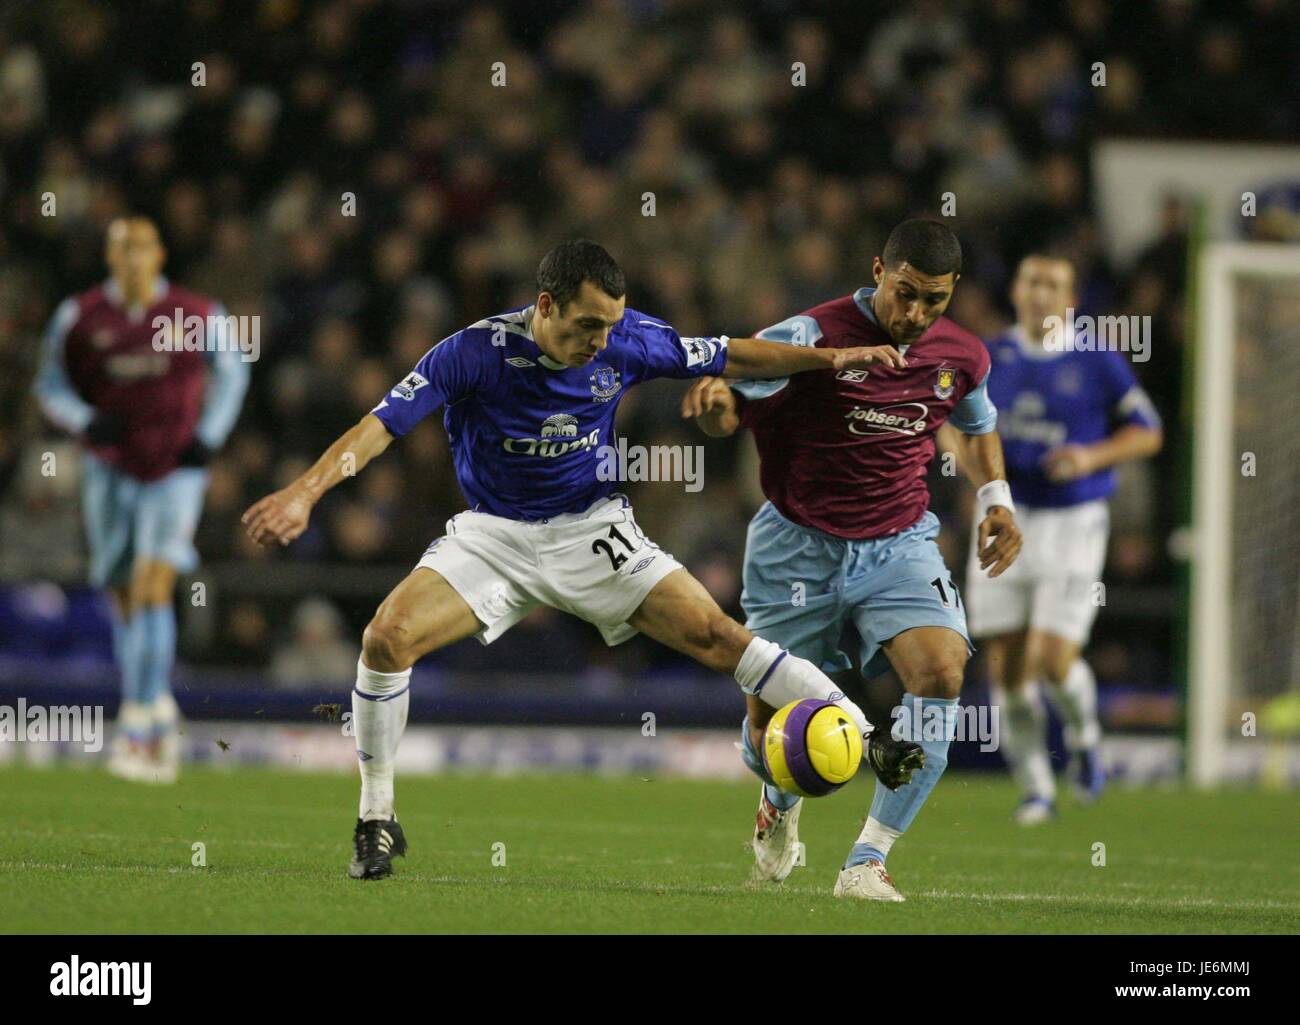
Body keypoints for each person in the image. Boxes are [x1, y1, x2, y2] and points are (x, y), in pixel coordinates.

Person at [241, 239, 923, 880]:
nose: (601, 341)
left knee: (720, 635)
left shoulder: (627, 340)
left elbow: (734, 355)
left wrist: (831, 361)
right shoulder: (472, 352)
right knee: (386, 636)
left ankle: (867, 735)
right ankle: (377, 817)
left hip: (591, 529)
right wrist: (305, 494)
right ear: (545, 306)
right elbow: (379, 426)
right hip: (494, 535)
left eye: (610, 325)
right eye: (588, 325)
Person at [684, 219, 1022, 901]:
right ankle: (778, 805)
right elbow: (732, 388)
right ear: (877, 270)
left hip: (898, 542)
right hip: (795, 547)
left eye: (935, 300)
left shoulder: (961, 355)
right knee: (765, 732)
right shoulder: (813, 334)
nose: (916, 314)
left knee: (942, 671)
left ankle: (868, 860)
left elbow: (979, 424)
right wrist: (717, 406)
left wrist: (996, 498)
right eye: (905, 293)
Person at [940, 254, 1162, 824]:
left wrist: (1092, 456)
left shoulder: (1096, 359)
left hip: (1074, 521)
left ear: (1070, 298)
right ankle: (1036, 787)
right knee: (1008, 668)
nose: (1040, 293)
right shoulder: (990, 357)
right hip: (1008, 519)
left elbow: (1148, 431)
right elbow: (948, 426)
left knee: (1053, 658)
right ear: (1015, 289)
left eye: (1053, 285)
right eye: (1031, 281)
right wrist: (979, 482)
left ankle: (1086, 740)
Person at [34, 216, 249, 783]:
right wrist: (85, 420)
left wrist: (210, 436)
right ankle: (154, 706)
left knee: (156, 584)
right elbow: (49, 385)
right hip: (109, 469)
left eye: (143, 248)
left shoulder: (199, 312)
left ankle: (138, 724)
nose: (133, 258)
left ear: (159, 254)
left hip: (175, 468)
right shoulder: (79, 316)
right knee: (123, 590)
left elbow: (233, 370)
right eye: (122, 248)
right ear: (110, 256)